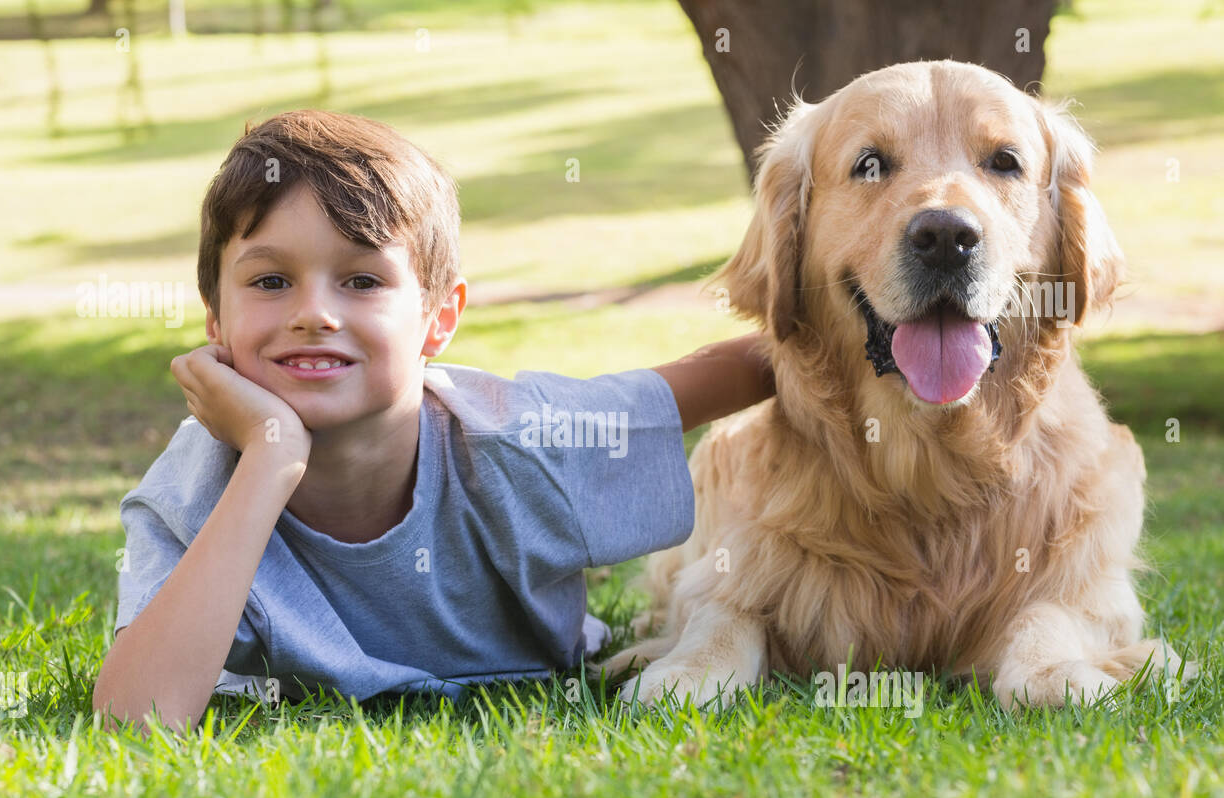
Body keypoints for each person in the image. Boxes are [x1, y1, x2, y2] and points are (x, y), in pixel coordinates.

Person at [91, 110, 773, 733]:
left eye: (361, 281)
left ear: (438, 318)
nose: (313, 314)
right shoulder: (189, 490)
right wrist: (270, 457)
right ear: (215, 320)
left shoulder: (521, 441)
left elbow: (737, 370)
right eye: (270, 282)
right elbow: (133, 718)